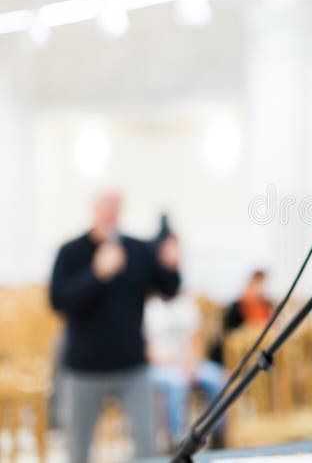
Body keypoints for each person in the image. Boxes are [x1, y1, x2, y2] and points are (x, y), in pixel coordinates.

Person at [50, 189, 180, 462]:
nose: (110, 212)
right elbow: (58, 300)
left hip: (132, 367)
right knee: (77, 448)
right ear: (94, 209)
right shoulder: (71, 251)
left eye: (115, 206)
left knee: (147, 446)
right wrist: (96, 275)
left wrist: (172, 266)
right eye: (105, 206)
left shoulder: (137, 249)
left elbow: (169, 289)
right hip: (84, 370)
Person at [145, 294, 225, 449]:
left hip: (191, 363)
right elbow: (147, 351)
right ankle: (178, 440)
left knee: (218, 377)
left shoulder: (187, 305)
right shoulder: (149, 308)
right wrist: (175, 366)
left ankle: (218, 434)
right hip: (162, 366)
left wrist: (191, 365)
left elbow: (198, 340)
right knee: (177, 384)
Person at [208, 269, 275, 364]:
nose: (259, 287)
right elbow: (228, 335)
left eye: (261, 283)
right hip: (239, 354)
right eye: (256, 283)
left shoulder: (267, 305)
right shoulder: (236, 307)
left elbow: (273, 326)